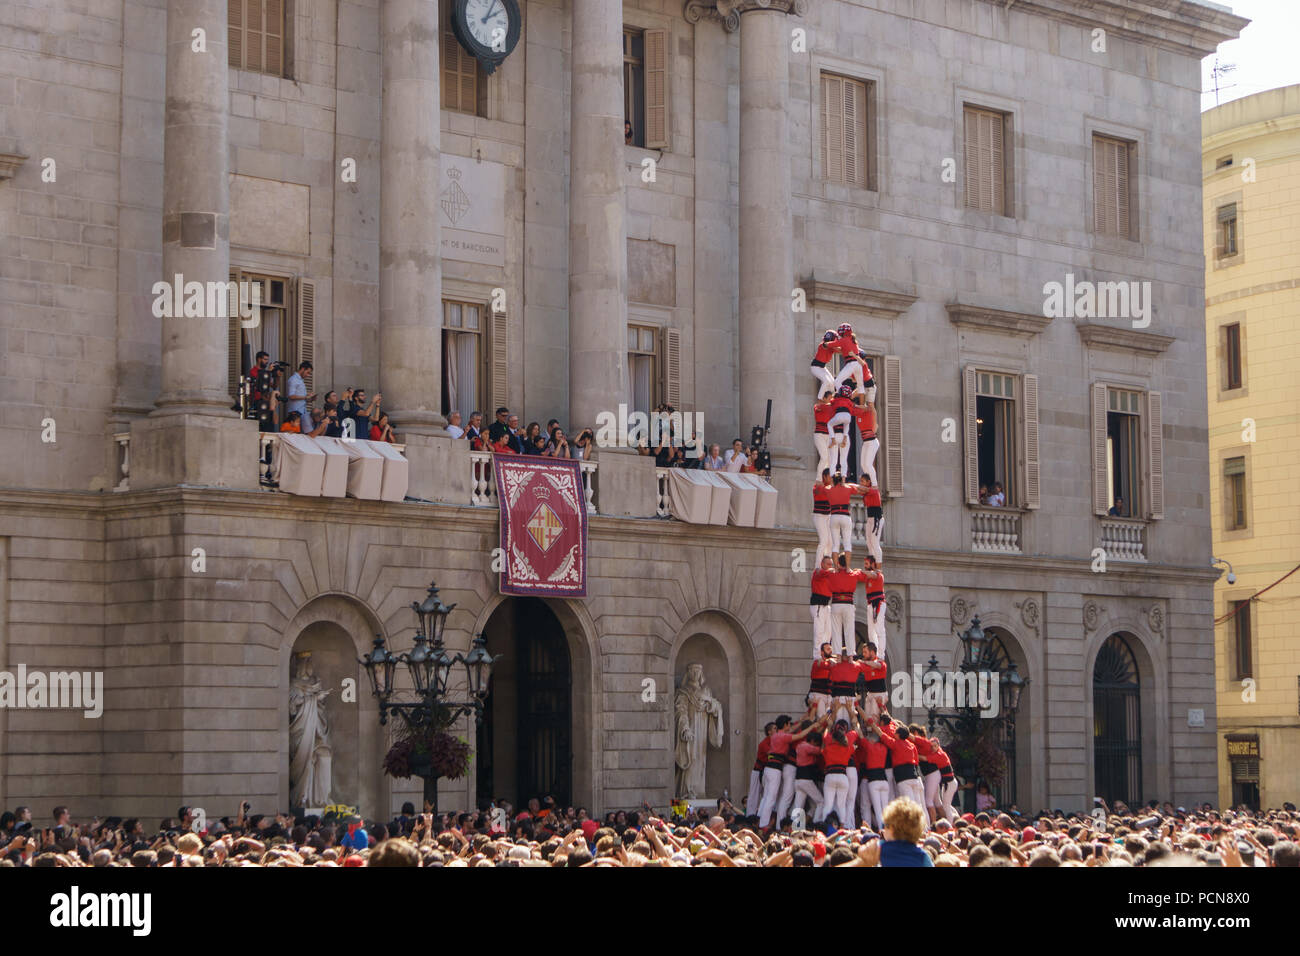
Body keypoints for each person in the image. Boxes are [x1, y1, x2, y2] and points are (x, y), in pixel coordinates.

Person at [875, 713, 926, 833]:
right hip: (914, 776)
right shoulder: (912, 745)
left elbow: (881, 734)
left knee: (909, 805)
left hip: (903, 778)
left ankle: (914, 829)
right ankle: (924, 828)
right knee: (918, 804)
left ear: (898, 735)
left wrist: (873, 723)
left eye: (895, 732)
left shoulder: (895, 744)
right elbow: (916, 761)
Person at [877, 797, 934, 867]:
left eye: (886, 825)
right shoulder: (923, 857)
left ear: (892, 828)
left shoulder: (879, 849)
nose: (884, 829)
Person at [826, 552, 860, 657]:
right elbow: (862, 574)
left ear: (838, 563)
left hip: (836, 603)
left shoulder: (832, 573)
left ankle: (838, 656)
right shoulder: (853, 573)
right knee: (849, 630)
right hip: (848, 603)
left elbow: (822, 572)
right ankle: (850, 656)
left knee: (836, 631)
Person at [747, 723, 776, 818]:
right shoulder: (764, 743)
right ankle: (750, 817)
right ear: (769, 732)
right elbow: (771, 753)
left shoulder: (773, 741)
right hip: (758, 771)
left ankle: (763, 816)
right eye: (775, 729)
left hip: (766, 771)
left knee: (766, 795)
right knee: (754, 795)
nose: (777, 730)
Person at [809, 555, 834, 657]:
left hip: (826, 606)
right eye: (828, 564)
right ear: (822, 564)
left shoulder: (829, 575)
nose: (829, 566)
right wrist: (832, 570)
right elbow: (822, 573)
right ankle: (817, 657)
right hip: (818, 605)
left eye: (831, 564)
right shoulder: (818, 572)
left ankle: (826, 655)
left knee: (828, 632)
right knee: (819, 633)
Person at [862, 556, 886, 659]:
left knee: (879, 629)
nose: (865, 566)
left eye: (867, 564)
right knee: (871, 631)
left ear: (872, 564)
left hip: (878, 604)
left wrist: (860, 572)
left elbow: (873, 574)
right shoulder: (867, 577)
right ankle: (873, 653)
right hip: (871, 605)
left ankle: (881, 655)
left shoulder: (878, 574)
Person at [853, 394, 879, 488]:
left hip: (872, 441)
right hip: (866, 442)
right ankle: (869, 483)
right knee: (863, 465)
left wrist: (875, 422)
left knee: (868, 464)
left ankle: (875, 485)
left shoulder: (868, 410)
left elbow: (870, 408)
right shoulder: (858, 414)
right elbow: (851, 408)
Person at [859, 477, 884, 565]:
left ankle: (878, 566)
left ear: (868, 481)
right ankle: (871, 562)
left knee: (875, 542)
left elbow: (862, 489)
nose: (861, 483)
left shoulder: (873, 490)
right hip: (870, 519)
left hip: (876, 518)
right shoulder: (865, 493)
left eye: (862, 481)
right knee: (869, 542)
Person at [812, 470, 833, 567]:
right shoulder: (818, 487)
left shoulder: (831, 488)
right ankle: (818, 566)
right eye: (830, 476)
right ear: (824, 477)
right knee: (824, 540)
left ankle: (827, 563)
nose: (831, 478)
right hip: (819, 516)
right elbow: (817, 491)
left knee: (830, 541)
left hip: (828, 516)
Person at [809, 330, 839, 398]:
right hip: (815, 367)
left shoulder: (832, 347)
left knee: (832, 382)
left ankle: (831, 398)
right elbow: (827, 345)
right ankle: (820, 398)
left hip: (822, 367)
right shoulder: (823, 345)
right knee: (826, 381)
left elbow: (840, 350)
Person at [808, 642, 834, 718]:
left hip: (828, 695)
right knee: (821, 717)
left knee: (829, 718)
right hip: (818, 694)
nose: (830, 651)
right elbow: (824, 665)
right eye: (828, 649)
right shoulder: (817, 662)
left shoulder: (832, 663)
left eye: (831, 649)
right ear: (822, 652)